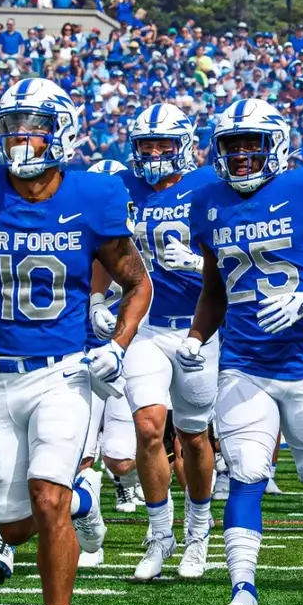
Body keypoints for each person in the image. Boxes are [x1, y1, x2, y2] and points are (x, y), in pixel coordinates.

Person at [0, 77, 150, 605]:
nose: (20, 139)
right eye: (11, 128)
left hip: (63, 375)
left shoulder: (94, 194)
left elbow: (139, 282)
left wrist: (118, 345)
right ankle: (84, 494)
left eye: (34, 127)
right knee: (12, 523)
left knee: (47, 497)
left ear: (62, 131)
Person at [182, 98, 303, 605]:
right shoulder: (209, 201)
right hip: (242, 362)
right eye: (231, 145)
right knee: (246, 471)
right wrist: (196, 336)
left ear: (276, 144)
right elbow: (214, 290)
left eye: (250, 143)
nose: (240, 155)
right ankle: (243, 590)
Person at [92, 103, 222, 581]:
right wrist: (97, 299)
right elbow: (103, 250)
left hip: (197, 327)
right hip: (145, 326)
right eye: (145, 144)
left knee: (192, 435)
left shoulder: (208, 186)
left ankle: (199, 531)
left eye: (162, 145)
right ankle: (159, 532)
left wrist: (193, 262)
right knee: (148, 428)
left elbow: (232, 251)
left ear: (183, 145)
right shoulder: (120, 187)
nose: (152, 153)